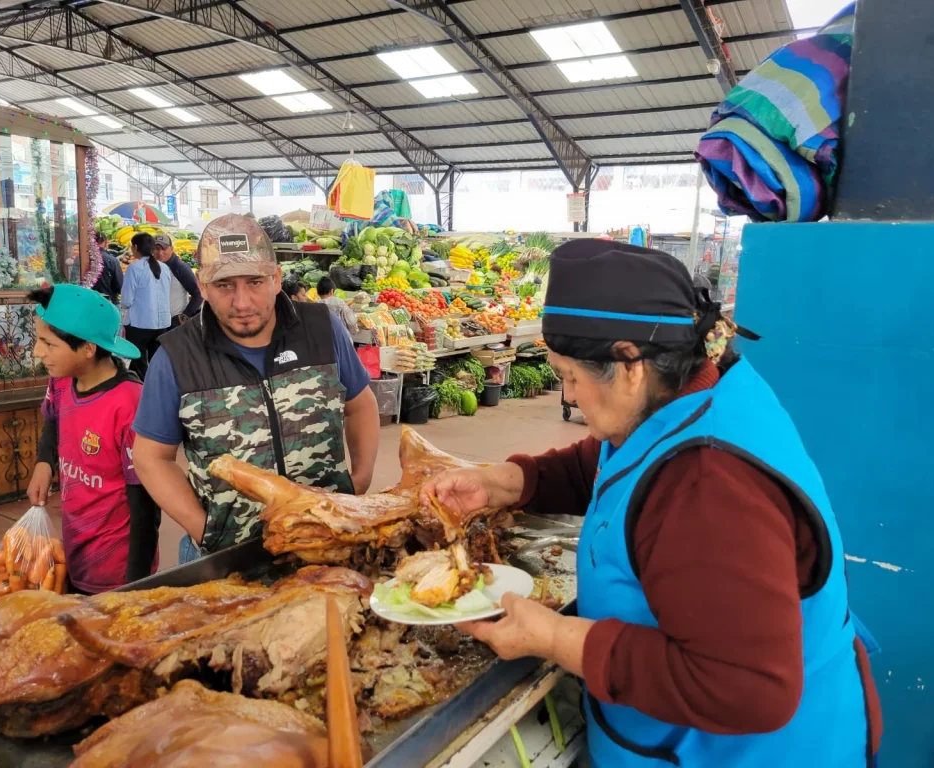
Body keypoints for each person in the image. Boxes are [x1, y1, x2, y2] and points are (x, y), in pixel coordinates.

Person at [423, 240, 882, 767]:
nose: (568, 395)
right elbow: (616, 459)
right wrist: (503, 482)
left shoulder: (710, 484)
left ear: (630, 364)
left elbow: (746, 689)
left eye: (571, 378)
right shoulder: (692, 391)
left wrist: (553, 635)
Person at [131, 214, 380, 565]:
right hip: (227, 559)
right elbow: (150, 457)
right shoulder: (176, 355)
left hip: (327, 542)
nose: (242, 302)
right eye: (224, 285)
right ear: (202, 286)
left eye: (255, 282)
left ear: (276, 279)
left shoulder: (322, 328)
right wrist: (205, 530)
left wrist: (361, 478)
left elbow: (360, 404)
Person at [26, 285, 160, 594]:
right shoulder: (61, 381)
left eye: (47, 343)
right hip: (75, 550)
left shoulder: (129, 403)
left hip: (118, 569)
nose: (37, 352)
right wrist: (45, 462)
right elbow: (53, 418)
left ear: (88, 348)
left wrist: (137, 586)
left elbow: (146, 504)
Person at [121, 232, 172, 379]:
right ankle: (158, 389)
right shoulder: (165, 268)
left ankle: (142, 393)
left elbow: (127, 300)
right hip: (162, 324)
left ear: (135, 247)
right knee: (157, 362)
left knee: (139, 364)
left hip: (139, 324)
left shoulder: (134, 268)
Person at [153, 233, 203, 329]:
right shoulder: (151, 266)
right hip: (156, 323)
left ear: (171, 249)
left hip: (174, 323)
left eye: (164, 248)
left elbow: (198, 293)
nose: (160, 252)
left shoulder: (180, 268)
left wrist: (184, 316)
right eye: (156, 249)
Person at [90, 233, 124, 305]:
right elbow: (120, 286)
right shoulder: (112, 260)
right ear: (106, 243)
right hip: (108, 303)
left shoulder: (81, 258)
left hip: (88, 301)